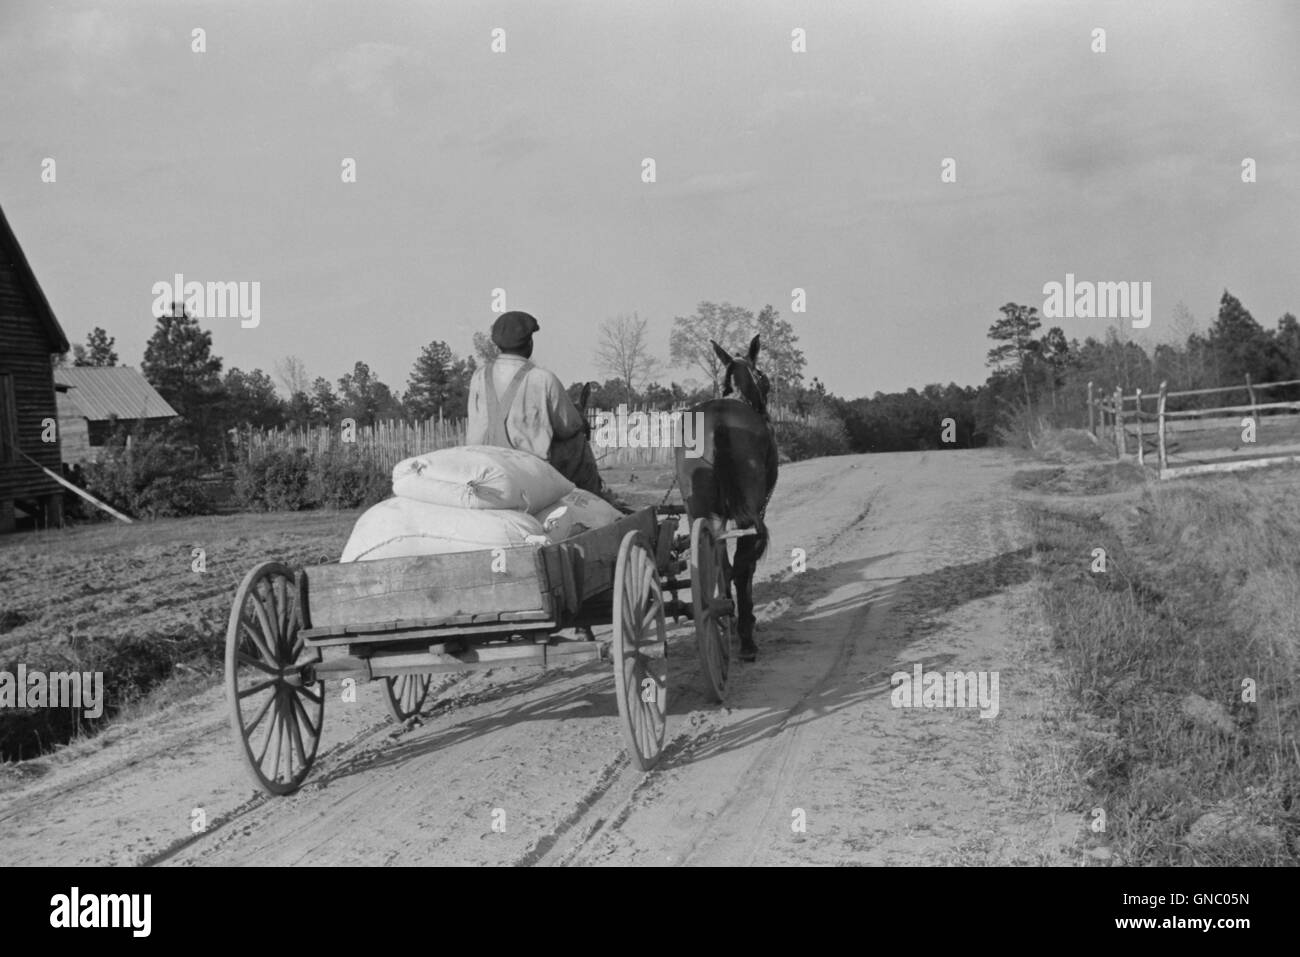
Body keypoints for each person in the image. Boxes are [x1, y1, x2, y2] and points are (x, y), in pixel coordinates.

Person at [467, 311, 629, 511]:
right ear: (529, 343)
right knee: (577, 440)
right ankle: (595, 504)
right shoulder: (542, 378)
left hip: (482, 464)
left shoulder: (479, 376)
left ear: (498, 344)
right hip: (528, 469)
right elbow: (568, 426)